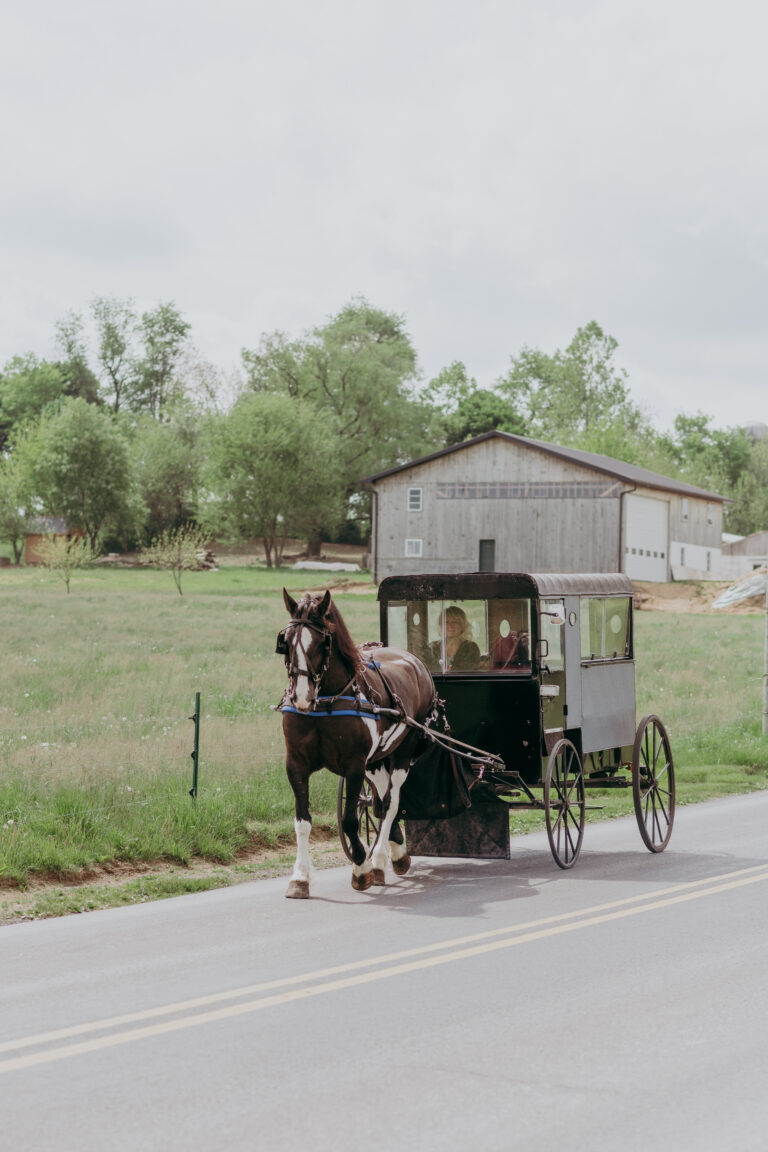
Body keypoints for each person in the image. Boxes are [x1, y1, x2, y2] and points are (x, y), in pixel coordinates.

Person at [427, 605, 481, 672]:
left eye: (455, 622)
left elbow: (467, 673)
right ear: (441, 626)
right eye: (446, 622)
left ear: (462, 625)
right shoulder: (432, 648)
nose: (450, 625)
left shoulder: (471, 648)